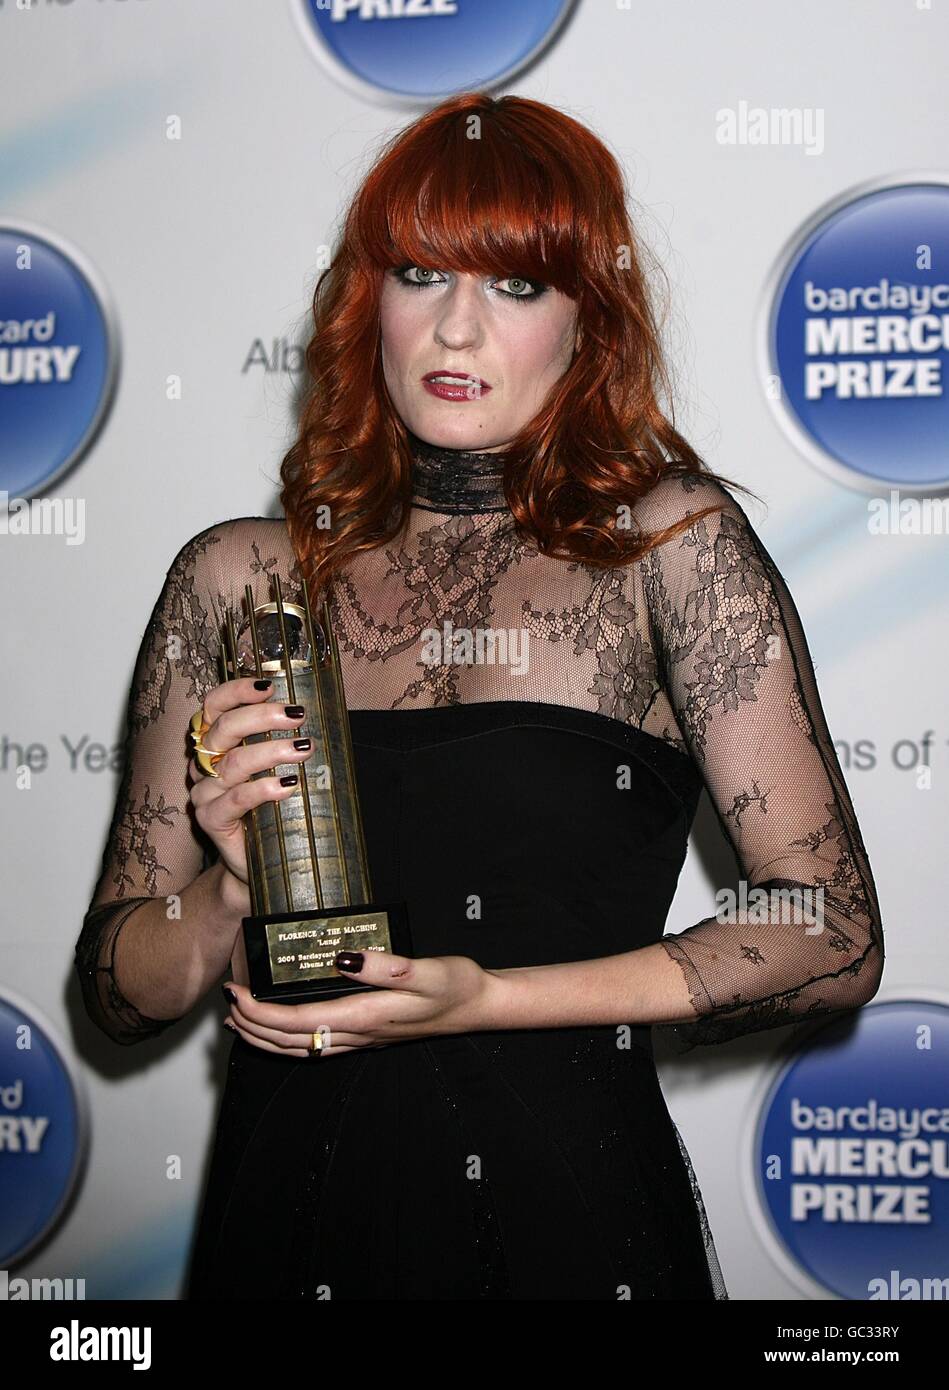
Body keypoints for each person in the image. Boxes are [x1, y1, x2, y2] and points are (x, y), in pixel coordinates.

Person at [74, 93, 884, 1301]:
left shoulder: (666, 550)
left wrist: (486, 1000)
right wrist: (226, 890)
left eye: (514, 285)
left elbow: (831, 933)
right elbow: (117, 991)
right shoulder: (236, 578)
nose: (456, 329)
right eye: (419, 272)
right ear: (369, 301)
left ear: (585, 319)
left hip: (566, 1218)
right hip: (286, 1215)